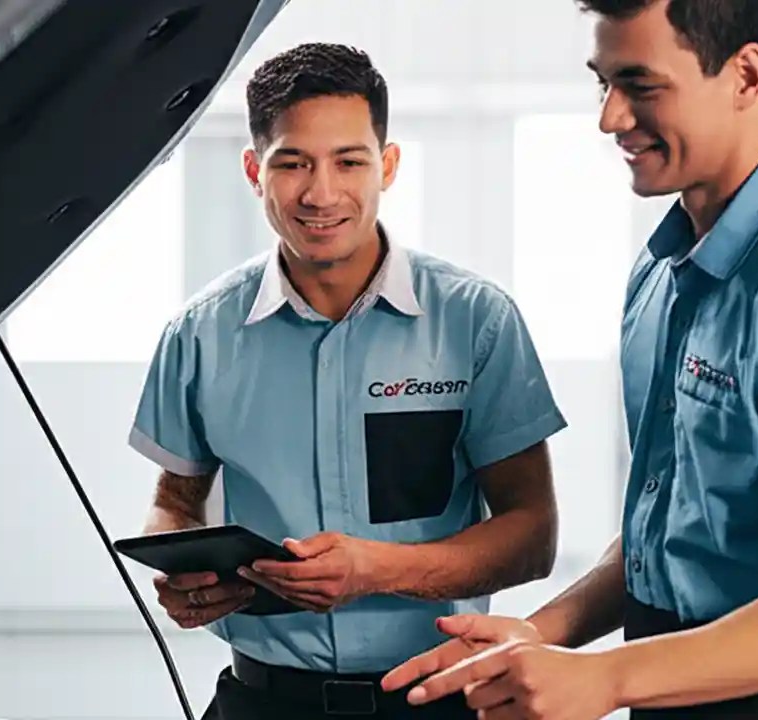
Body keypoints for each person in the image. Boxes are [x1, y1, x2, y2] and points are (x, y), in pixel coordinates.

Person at [382, 1, 758, 718]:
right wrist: (536, 636)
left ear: (745, 75)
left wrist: (608, 678)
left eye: (640, 86)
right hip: (668, 692)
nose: (609, 118)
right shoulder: (662, 274)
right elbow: (670, 537)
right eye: (602, 82)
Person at [127, 42, 568, 719]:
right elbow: (173, 503)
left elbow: (531, 535)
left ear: (387, 166)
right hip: (260, 702)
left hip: (440, 698)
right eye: (293, 163)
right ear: (254, 171)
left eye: (349, 161)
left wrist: (377, 571)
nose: (321, 192)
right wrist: (179, 575)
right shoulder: (199, 333)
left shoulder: (475, 321)